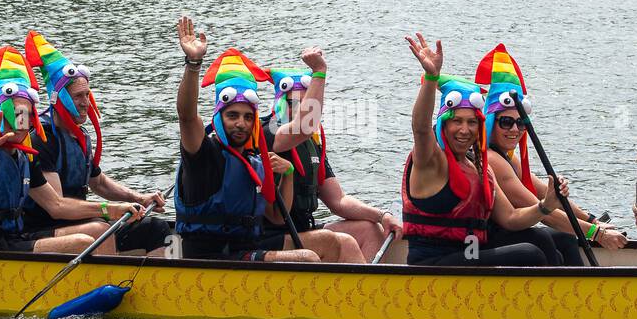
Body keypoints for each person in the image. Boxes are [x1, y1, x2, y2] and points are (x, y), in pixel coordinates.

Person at [0, 45, 140, 253]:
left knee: (100, 231)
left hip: (14, 238)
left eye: (27, 115)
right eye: (18, 114)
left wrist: (111, 209)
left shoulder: (24, 155)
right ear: (2, 112)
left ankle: (109, 284)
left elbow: (56, 205)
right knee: (82, 242)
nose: (23, 122)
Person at [402, 33, 560, 267]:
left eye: (472, 122)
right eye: (457, 121)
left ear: (480, 127)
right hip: (433, 263)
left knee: (550, 238)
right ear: (444, 124)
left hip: (470, 253)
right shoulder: (431, 161)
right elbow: (421, 128)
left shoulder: (479, 167)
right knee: (529, 254)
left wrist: (546, 205)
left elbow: (511, 218)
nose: (464, 129)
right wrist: (431, 77)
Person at [173, 17, 321, 262]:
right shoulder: (203, 154)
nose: (241, 123)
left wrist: (288, 174)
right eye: (232, 116)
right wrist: (193, 63)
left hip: (245, 248)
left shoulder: (255, 161)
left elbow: (275, 216)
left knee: (322, 248)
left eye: (247, 117)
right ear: (219, 117)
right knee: (306, 259)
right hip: (210, 257)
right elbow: (187, 116)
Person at [474, 43, 627, 265]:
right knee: (543, 238)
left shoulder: (509, 157)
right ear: (490, 123)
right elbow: (546, 213)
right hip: (484, 240)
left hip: (505, 234)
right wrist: (596, 234)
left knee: (565, 238)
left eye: (520, 123)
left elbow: (551, 194)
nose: (514, 130)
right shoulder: (492, 159)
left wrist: (592, 220)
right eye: (506, 122)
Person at [22, 31, 168, 255]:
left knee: (156, 228)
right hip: (45, 228)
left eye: (87, 95)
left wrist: (138, 198)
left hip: (79, 221)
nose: (85, 103)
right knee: (100, 229)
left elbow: (97, 182)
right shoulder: (43, 138)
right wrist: (110, 210)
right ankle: (110, 286)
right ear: (59, 98)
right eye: (78, 97)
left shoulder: (80, 136)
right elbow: (58, 209)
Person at [263, 54, 399, 262]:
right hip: (271, 236)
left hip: (302, 231)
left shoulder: (313, 144)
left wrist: (382, 216)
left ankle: (360, 290)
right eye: (293, 103)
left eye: (305, 102)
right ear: (280, 103)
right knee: (344, 241)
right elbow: (304, 126)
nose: (300, 109)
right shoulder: (269, 133)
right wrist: (319, 72)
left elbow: (339, 201)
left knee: (370, 229)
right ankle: (363, 292)